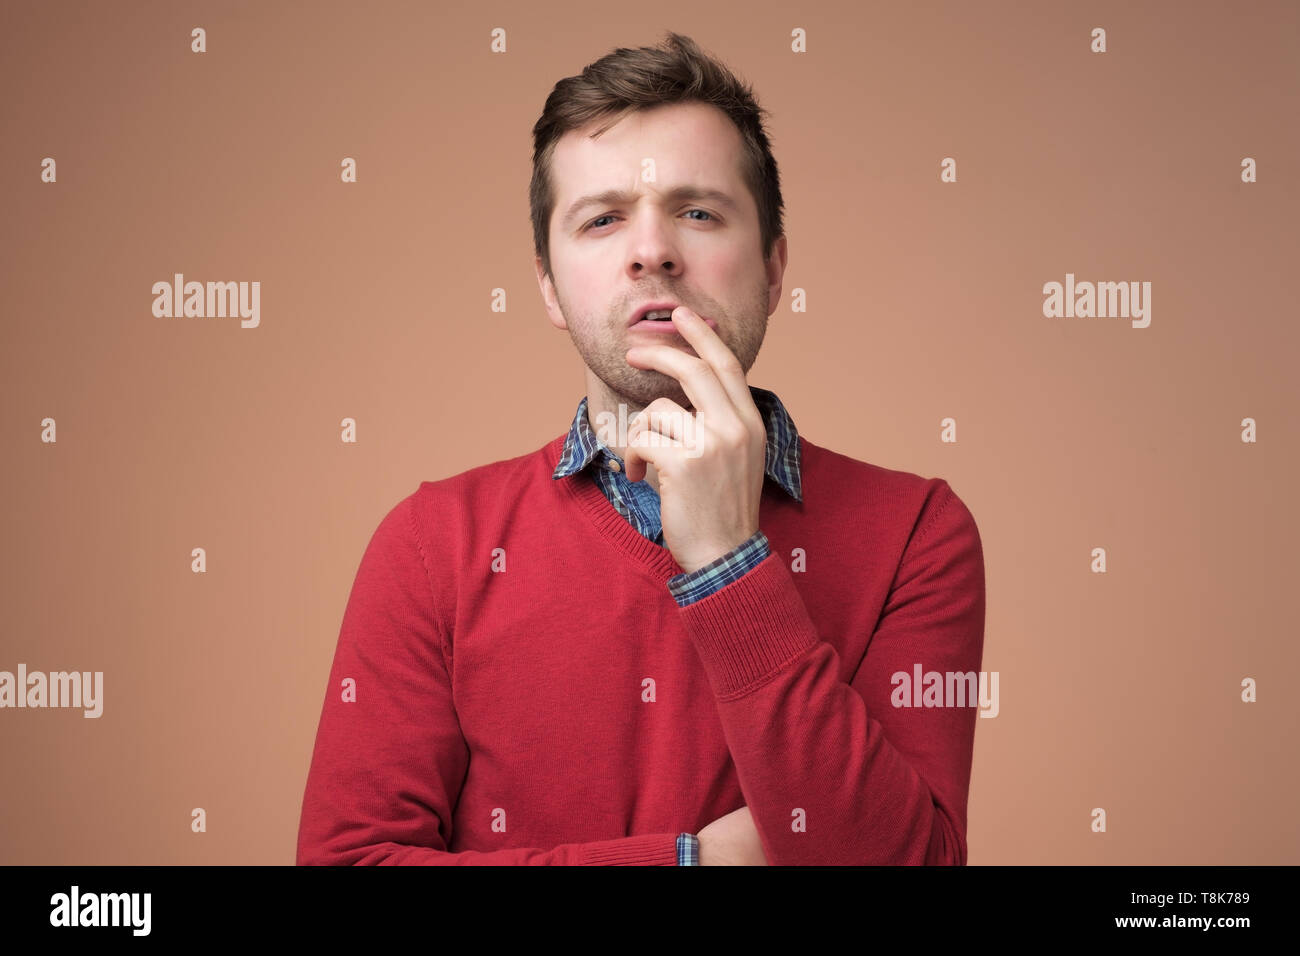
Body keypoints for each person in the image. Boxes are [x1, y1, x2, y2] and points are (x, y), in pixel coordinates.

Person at [296, 31, 985, 866]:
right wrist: (693, 862)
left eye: (698, 212)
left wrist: (730, 562)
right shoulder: (431, 544)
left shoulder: (916, 533)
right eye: (603, 218)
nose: (652, 250)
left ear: (772, 269)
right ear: (550, 285)